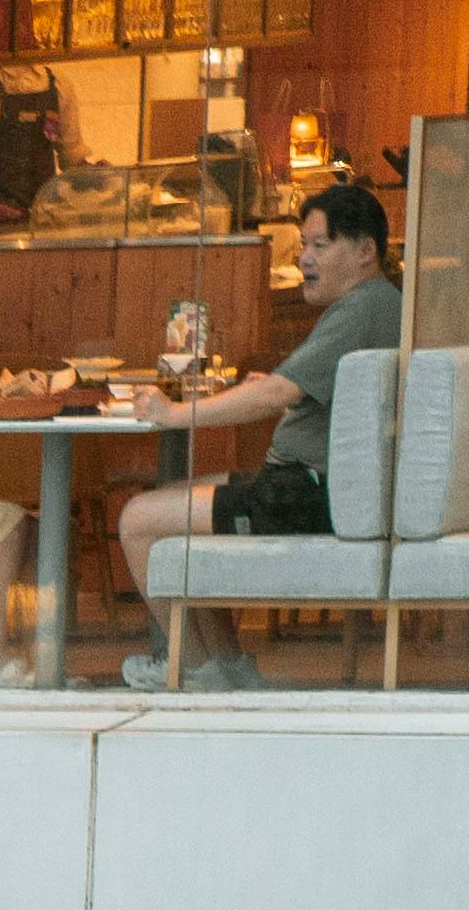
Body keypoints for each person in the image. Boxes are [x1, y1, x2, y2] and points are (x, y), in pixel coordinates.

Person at [120, 167, 398, 678]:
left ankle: (194, 674)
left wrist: (175, 412)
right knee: (172, 504)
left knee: (139, 519)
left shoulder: (363, 309)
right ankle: (226, 669)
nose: (305, 258)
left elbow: (274, 395)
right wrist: (277, 387)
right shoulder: (376, 305)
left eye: (320, 245)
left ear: (365, 251)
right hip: (313, 487)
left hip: (306, 494)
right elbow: (297, 388)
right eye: (304, 245)